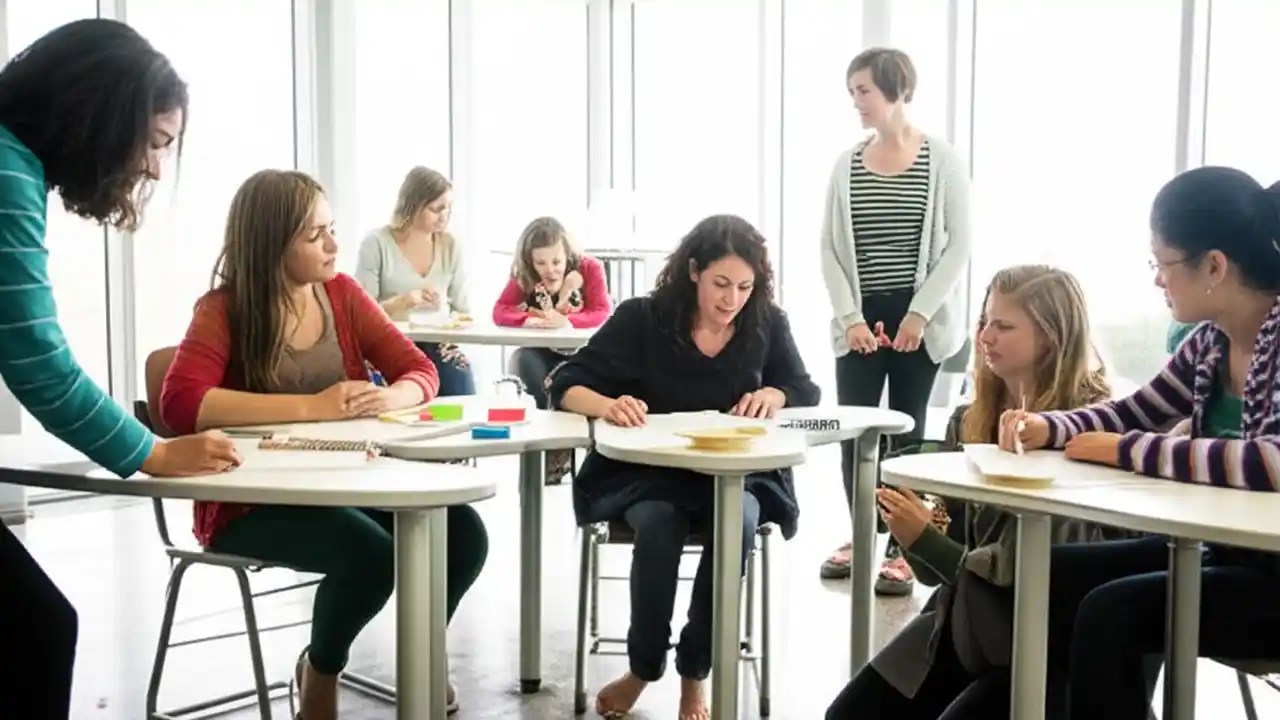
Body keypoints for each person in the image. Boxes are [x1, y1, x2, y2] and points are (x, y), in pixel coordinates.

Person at [159, 169, 489, 720]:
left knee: (464, 536)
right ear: (271, 242)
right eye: (316, 235)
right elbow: (180, 403)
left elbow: (419, 369)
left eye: (331, 228)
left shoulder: (341, 293)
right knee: (369, 555)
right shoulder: (223, 309)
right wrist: (313, 406)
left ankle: (424, 657)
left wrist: (394, 396)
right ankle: (322, 671)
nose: (334, 244)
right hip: (250, 500)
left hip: (345, 482)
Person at [0, 19, 240, 719]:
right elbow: (39, 365)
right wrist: (154, 451)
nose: (156, 169)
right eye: (157, 143)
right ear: (102, 112)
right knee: (36, 631)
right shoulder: (7, 169)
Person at [999, 166, 1280, 720]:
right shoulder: (1208, 345)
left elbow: (1272, 460)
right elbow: (1136, 411)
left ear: (1214, 267)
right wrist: (1051, 427)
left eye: (1162, 263)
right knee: (1052, 576)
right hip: (1233, 557)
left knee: (1112, 612)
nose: (1157, 279)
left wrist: (1126, 449)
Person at [826, 265, 1132, 720]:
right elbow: (940, 576)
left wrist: (924, 539)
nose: (986, 336)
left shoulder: (1093, 427)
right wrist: (915, 534)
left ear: (1052, 336)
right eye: (985, 321)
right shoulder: (970, 420)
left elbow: (1031, 582)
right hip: (968, 627)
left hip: (1049, 645)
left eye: (1004, 326)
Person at [548, 214, 821, 720]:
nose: (732, 299)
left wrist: (773, 393)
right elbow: (565, 382)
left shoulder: (766, 322)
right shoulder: (641, 319)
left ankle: (695, 673)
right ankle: (643, 669)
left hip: (738, 474)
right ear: (693, 271)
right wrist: (606, 405)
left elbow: (804, 389)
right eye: (721, 283)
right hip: (651, 473)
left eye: (745, 286)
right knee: (658, 523)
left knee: (735, 523)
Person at [819, 47, 972, 595]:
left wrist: (918, 314)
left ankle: (902, 547)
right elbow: (831, 250)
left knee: (907, 434)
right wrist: (851, 318)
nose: (856, 102)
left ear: (896, 90)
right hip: (860, 320)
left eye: (863, 90)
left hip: (917, 321)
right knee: (852, 434)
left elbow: (958, 248)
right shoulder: (847, 164)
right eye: (853, 92)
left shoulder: (942, 160)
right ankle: (862, 536)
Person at [493, 216, 612, 482]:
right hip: (542, 352)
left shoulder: (589, 268)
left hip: (582, 353)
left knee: (567, 376)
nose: (550, 270)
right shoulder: (523, 274)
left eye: (556, 262)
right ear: (530, 261)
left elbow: (602, 312)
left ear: (567, 255)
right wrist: (528, 320)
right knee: (522, 360)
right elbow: (500, 311)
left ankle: (560, 445)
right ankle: (554, 440)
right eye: (541, 263)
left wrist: (567, 321)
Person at [355, 166, 476, 396]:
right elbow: (360, 316)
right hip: (389, 342)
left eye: (448, 208)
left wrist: (451, 320)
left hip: (438, 342)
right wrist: (403, 302)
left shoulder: (451, 246)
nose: (444, 215)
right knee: (381, 389)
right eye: (436, 208)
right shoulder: (376, 244)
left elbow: (463, 310)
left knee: (460, 378)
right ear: (413, 205)